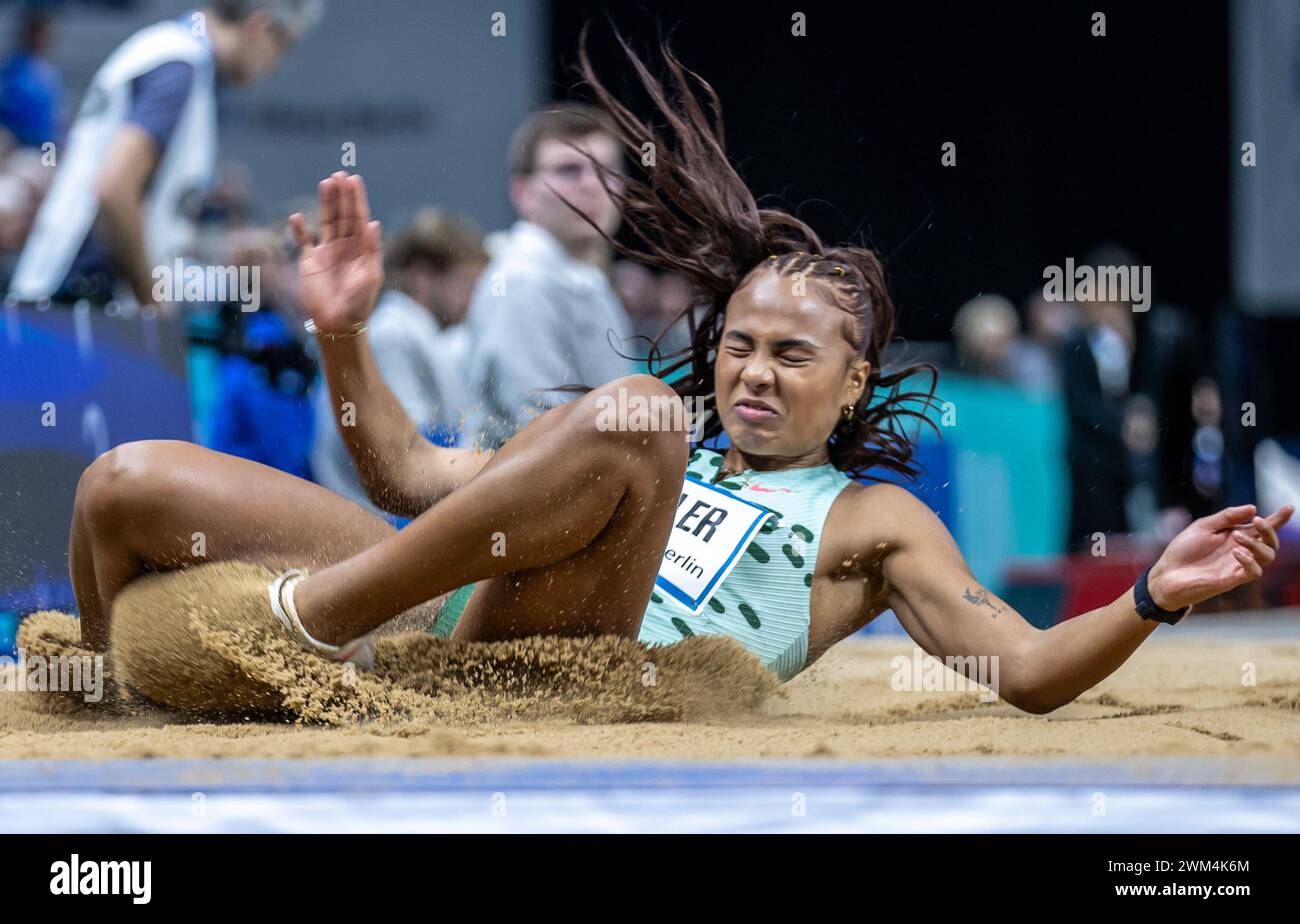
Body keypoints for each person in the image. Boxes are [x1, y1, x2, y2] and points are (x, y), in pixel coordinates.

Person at [67, 38, 1293, 712]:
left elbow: (1018, 673)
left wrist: (1152, 599)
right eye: (741, 345)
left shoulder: (869, 520)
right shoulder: (656, 435)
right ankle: (86, 670)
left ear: (857, 382)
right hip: (442, 620)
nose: (750, 373)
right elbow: (402, 472)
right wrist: (344, 334)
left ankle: (312, 628)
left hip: (571, 672)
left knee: (638, 417)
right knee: (123, 481)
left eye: (790, 356)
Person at [7, 0, 319, 309]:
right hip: (81, 304)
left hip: (63, 297)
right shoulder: (179, 66)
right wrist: (153, 304)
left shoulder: (172, 57)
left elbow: (153, 219)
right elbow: (115, 189)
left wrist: (222, 248)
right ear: (259, 27)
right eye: (284, 47)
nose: (276, 65)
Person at [461, 103, 634, 449]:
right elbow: (550, 444)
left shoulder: (585, 279)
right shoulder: (521, 284)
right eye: (569, 170)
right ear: (523, 193)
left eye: (606, 169)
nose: (592, 184)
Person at [312, 209, 487, 512]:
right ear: (421, 276)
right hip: (376, 516)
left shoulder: (423, 331)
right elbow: (410, 446)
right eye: (465, 282)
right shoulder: (394, 332)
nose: (471, 297)